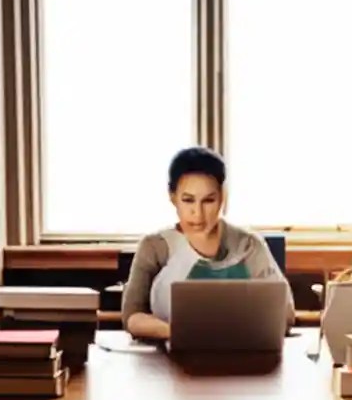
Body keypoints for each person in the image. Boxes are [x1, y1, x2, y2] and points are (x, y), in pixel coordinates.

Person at [121, 146, 295, 341]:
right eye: (188, 200)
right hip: (168, 358)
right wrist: (178, 333)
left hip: (242, 354)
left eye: (208, 201)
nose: (198, 213)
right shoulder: (154, 247)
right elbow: (132, 317)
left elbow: (285, 313)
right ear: (172, 197)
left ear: (222, 196)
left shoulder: (249, 245)